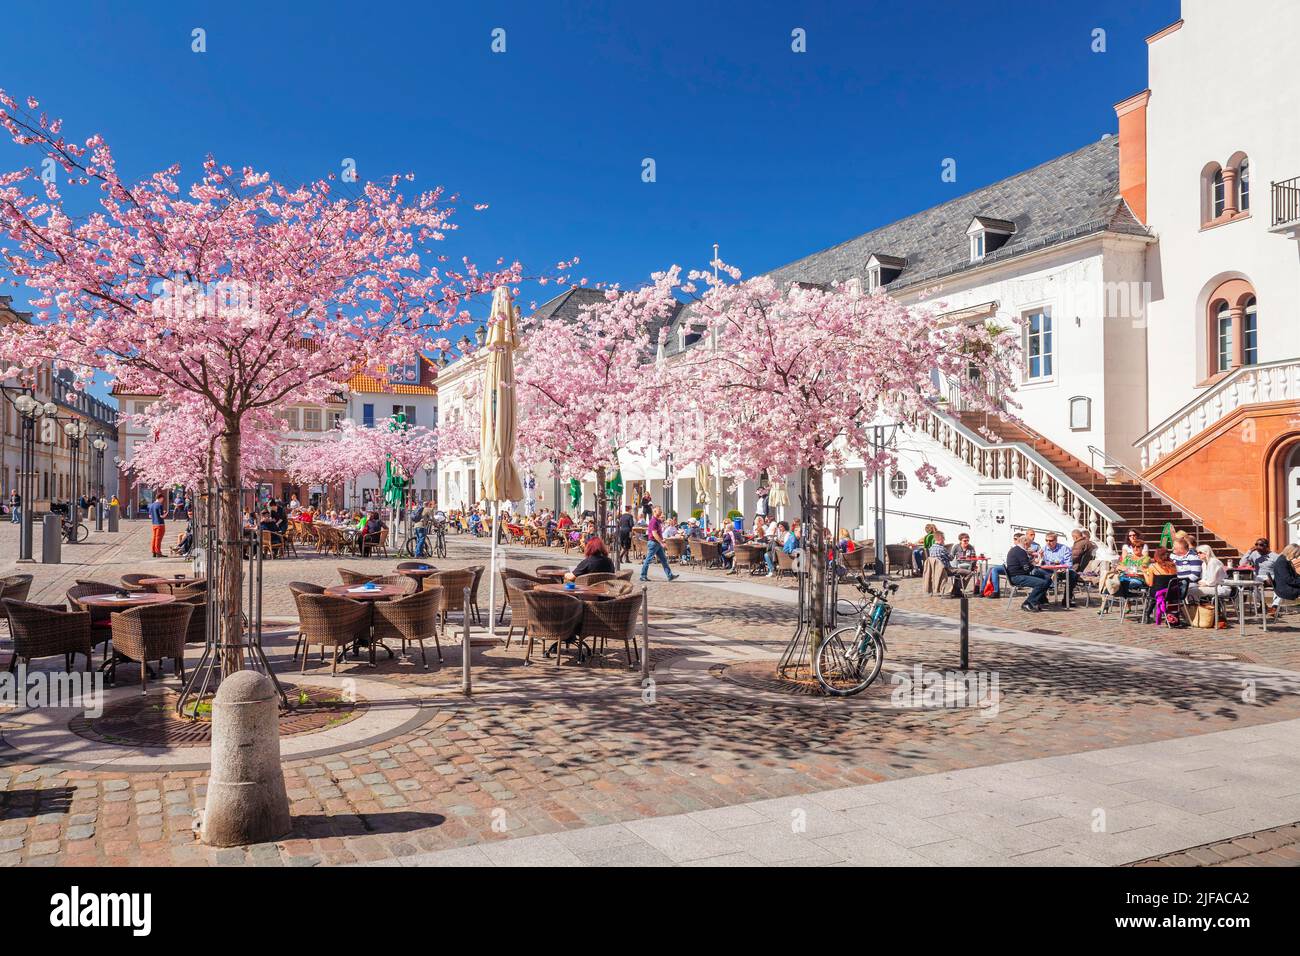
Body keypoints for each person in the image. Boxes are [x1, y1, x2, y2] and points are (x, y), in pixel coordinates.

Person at [1007, 534, 1051, 611]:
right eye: (1029, 544)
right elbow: (1026, 568)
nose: (1030, 547)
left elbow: (1024, 564)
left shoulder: (1017, 550)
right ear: (1025, 543)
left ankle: (1039, 600)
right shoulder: (1020, 551)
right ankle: (1028, 602)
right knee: (1041, 583)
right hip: (1017, 577)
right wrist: (1034, 563)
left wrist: (1032, 562)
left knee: (1047, 579)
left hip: (1018, 575)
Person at [639, 506, 679, 582]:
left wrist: (661, 541)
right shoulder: (653, 521)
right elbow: (654, 534)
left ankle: (670, 575)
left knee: (664, 560)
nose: (661, 511)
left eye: (661, 510)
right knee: (648, 559)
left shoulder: (657, 520)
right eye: (659, 510)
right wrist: (661, 542)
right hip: (654, 543)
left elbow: (662, 527)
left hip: (657, 543)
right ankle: (643, 575)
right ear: (654, 511)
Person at [979, 532, 1023, 598]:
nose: (1014, 540)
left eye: (1016, 539)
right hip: (1007, 566)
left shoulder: (1021, 549)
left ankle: (996, 591)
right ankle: (983, 590)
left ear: (1020, 540)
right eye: (1014, 539)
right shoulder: (1014, 548)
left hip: (1012, 569)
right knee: (990, 568)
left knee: (994, 569)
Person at [1267, 544, 1300, 618]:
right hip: (1285, 589)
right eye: (1297, 554)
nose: (1297, 557)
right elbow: (1289, 580)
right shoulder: (1282, 562)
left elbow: (1294, 576)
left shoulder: (1285, 560)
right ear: (1292, 552)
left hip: (1286, 586)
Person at [148, 492, 167, 558]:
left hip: (154, 524)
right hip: (160, 524)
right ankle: (158, 552)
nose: (163, 500)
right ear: (160, 498)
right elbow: (161, 516)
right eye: (162, 499)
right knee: (158, 538)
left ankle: (153, 551)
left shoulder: (152, 505)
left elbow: (150, 516)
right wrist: (165, 514)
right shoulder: (159, 505)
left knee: (154, 538)